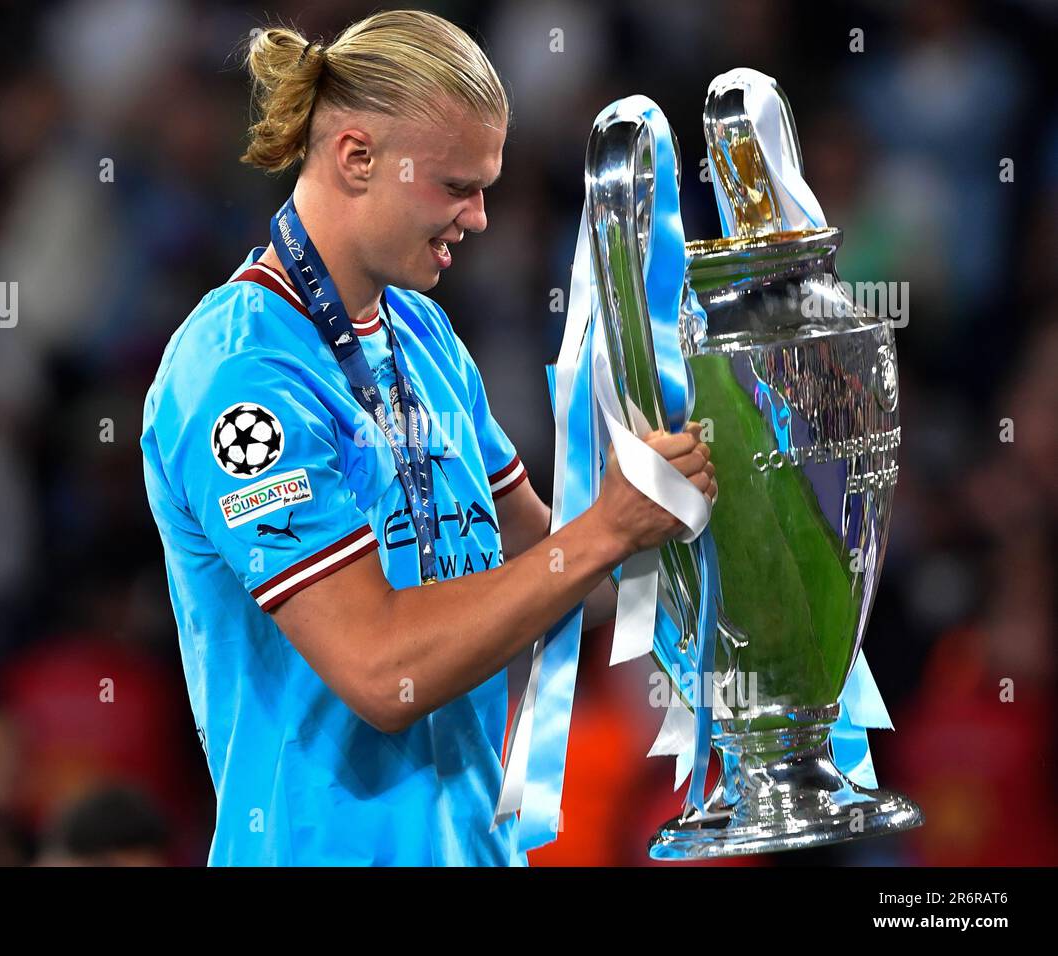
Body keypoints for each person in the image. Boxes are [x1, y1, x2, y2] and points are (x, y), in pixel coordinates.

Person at [140, 9, 715, 866]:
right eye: (456, 186)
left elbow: (554, 566)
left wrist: (686, 508)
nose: (479, 217)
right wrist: (605, 532)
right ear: (357, 158)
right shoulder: (241, 376)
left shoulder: (425, 336)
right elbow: (379, 671)